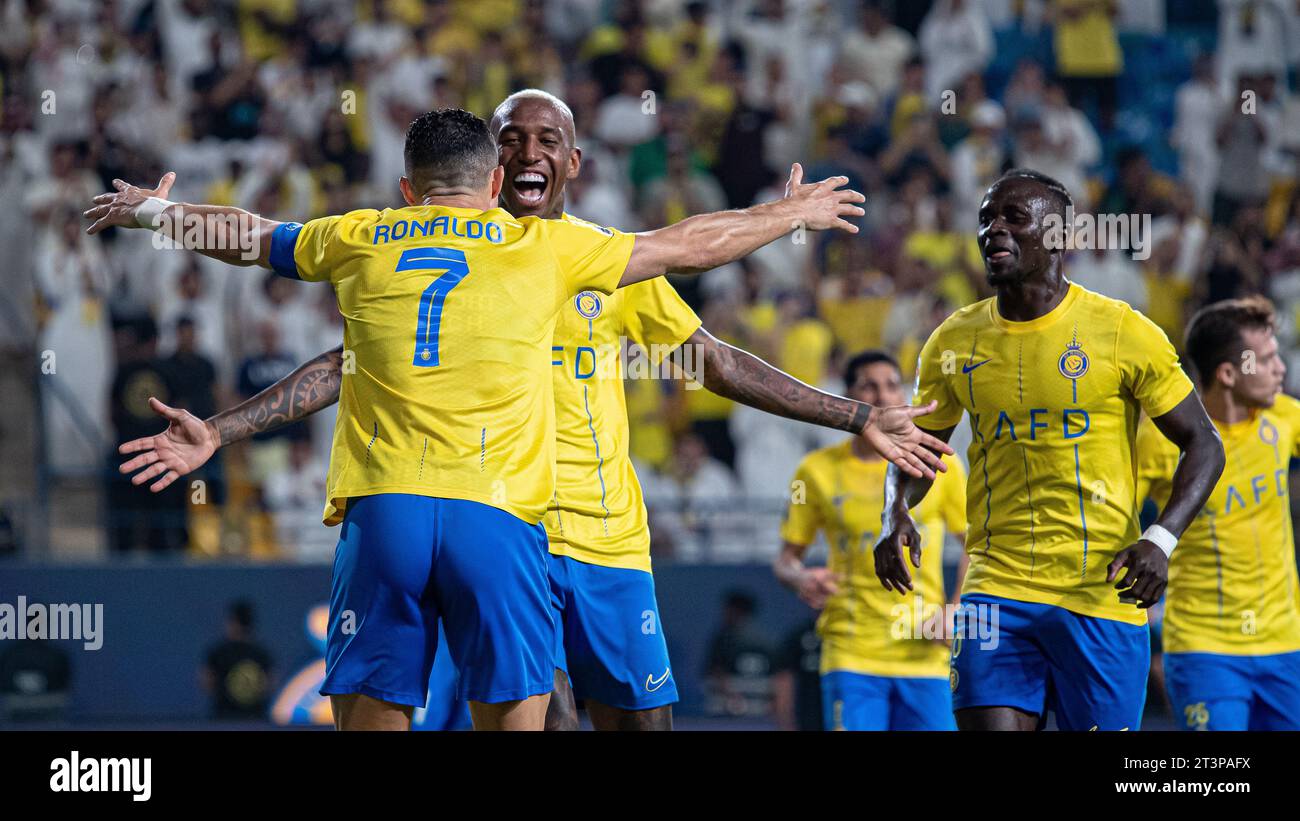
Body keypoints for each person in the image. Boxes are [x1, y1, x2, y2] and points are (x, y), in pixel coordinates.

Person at [109, 91, 953, 731]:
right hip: (508, 526)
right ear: (489, 170)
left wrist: (155, 213)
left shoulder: (490, 247)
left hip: (585, 535)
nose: (528, 153)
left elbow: (718, 360)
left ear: (574, 163)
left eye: (548, 139)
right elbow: (695, 240)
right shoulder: (544, 250)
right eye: (510, 138)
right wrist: (785, 216)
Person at [876, 169, 1226, 731]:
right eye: (987, 218)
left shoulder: (1120, 331)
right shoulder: (952, 340)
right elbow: (918, 448)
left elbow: (1204, 444)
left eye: (1014, 218)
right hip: (995, 588)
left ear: (1059, 236)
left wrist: (1159, 540)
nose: (994, 231)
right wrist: (894, 511)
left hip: (1098, 590)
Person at [776, 350, 968, 730]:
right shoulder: (815, 471)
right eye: (870, 385)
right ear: (848, 396)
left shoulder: (937, 464)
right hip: (852, 655)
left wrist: (955, 608)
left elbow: (977, 544)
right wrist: (800, 578)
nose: (883, 396)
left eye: (892, 385)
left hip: (925, 654)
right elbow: (785, 560)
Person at [1136, 296, 1300, 730]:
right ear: (1228, 373)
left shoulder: (1285, 419)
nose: (1280, 369)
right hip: (1204, 648)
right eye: (1265, 360)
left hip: (1286, 645)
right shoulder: (1159, 442)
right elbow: (1113, 518)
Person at [202, 599, 274, 720]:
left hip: (224, 720)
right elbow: (270, 685)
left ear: (233, 622)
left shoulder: (218, 653)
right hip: (255, 720)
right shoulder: (262, 654)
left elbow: (207, 683)